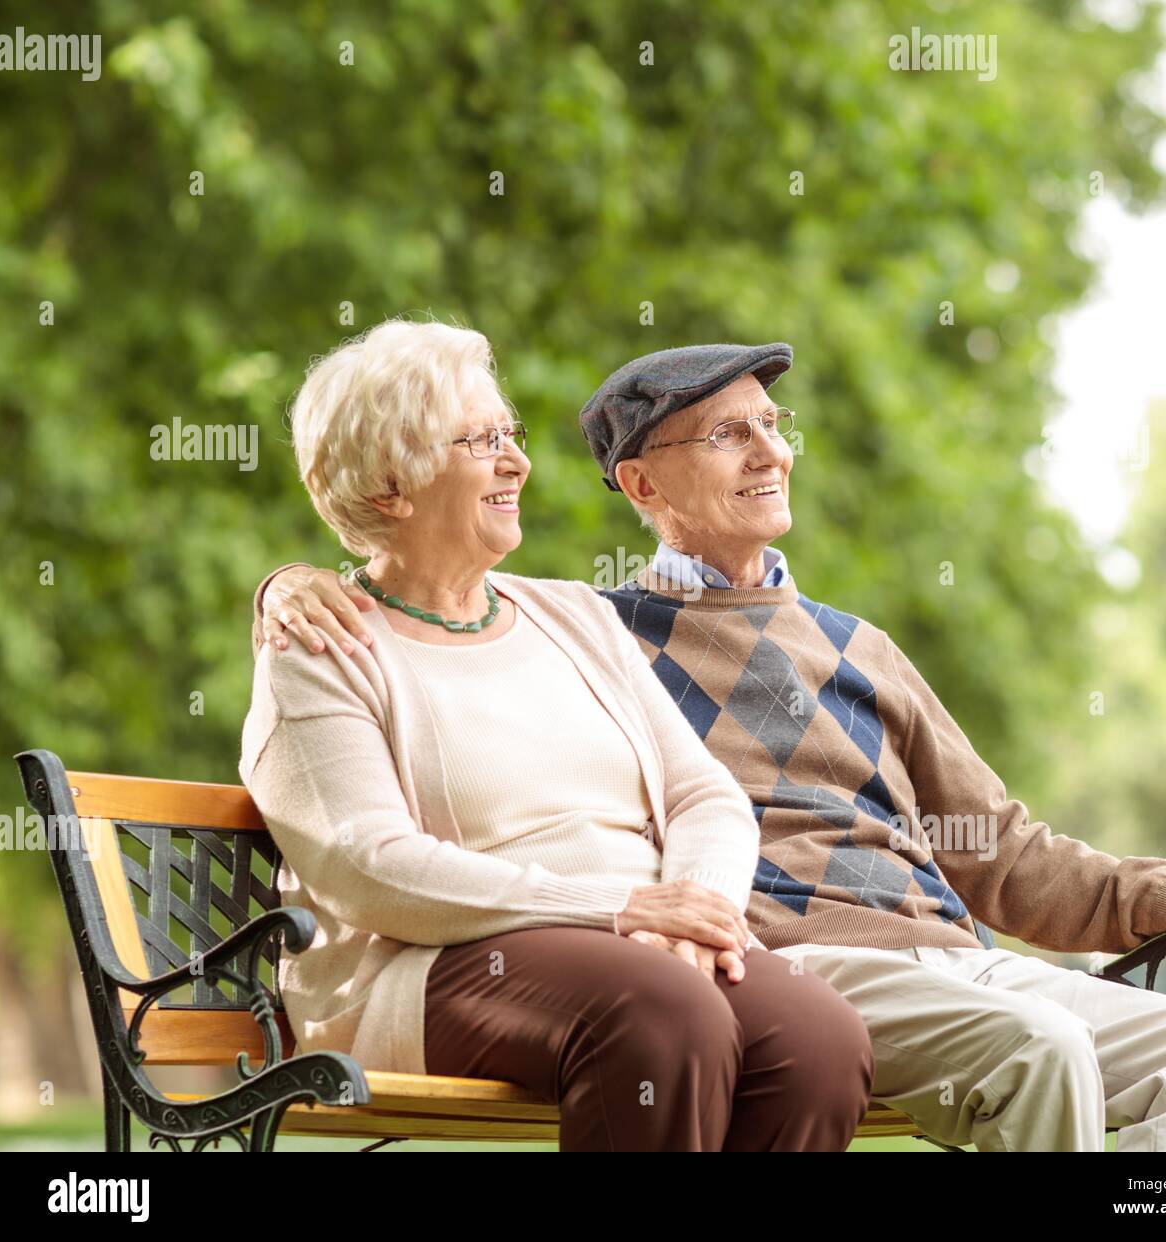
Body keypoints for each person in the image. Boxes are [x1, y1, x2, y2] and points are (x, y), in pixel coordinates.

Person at [261, 338, 1166, 1152]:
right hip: (775, 960)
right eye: (726, 435)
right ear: (640, 489)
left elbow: (1003, 851)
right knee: (1028, 1049)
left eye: (771, 426)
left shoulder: (850, 648)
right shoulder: (615, 626)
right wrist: (287, 582)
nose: (771, 453)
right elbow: (408, 637)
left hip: (940, 959)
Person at [239, 321, 873, 1152]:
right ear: (391, 483)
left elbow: (702, 793)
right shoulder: (322, 648)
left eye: (511, 435)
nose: (518, 463)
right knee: (663, 1015)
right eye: (480, 440)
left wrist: (697, 913)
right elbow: (369, 866)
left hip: (638, 949)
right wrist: (615, 910)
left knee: (817, 1041)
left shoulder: (572, 614)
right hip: (433, 964)